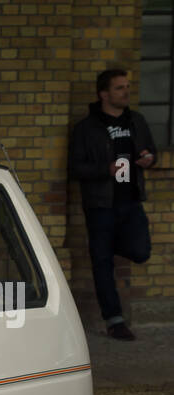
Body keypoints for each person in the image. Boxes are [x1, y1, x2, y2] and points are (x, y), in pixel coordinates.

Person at [68, 68, 158, 341]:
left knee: (141, 251)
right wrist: (103, 169)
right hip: (100, 205)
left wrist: (149, 159)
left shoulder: (137, 121)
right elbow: (74, 168)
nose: (126, 92)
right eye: (120, 88)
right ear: (104, 94)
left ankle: (114, 241)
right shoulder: (86, 128)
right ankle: (114, 320)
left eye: (127, 86)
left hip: (130, 201)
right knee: (102, 262)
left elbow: (152, 152)